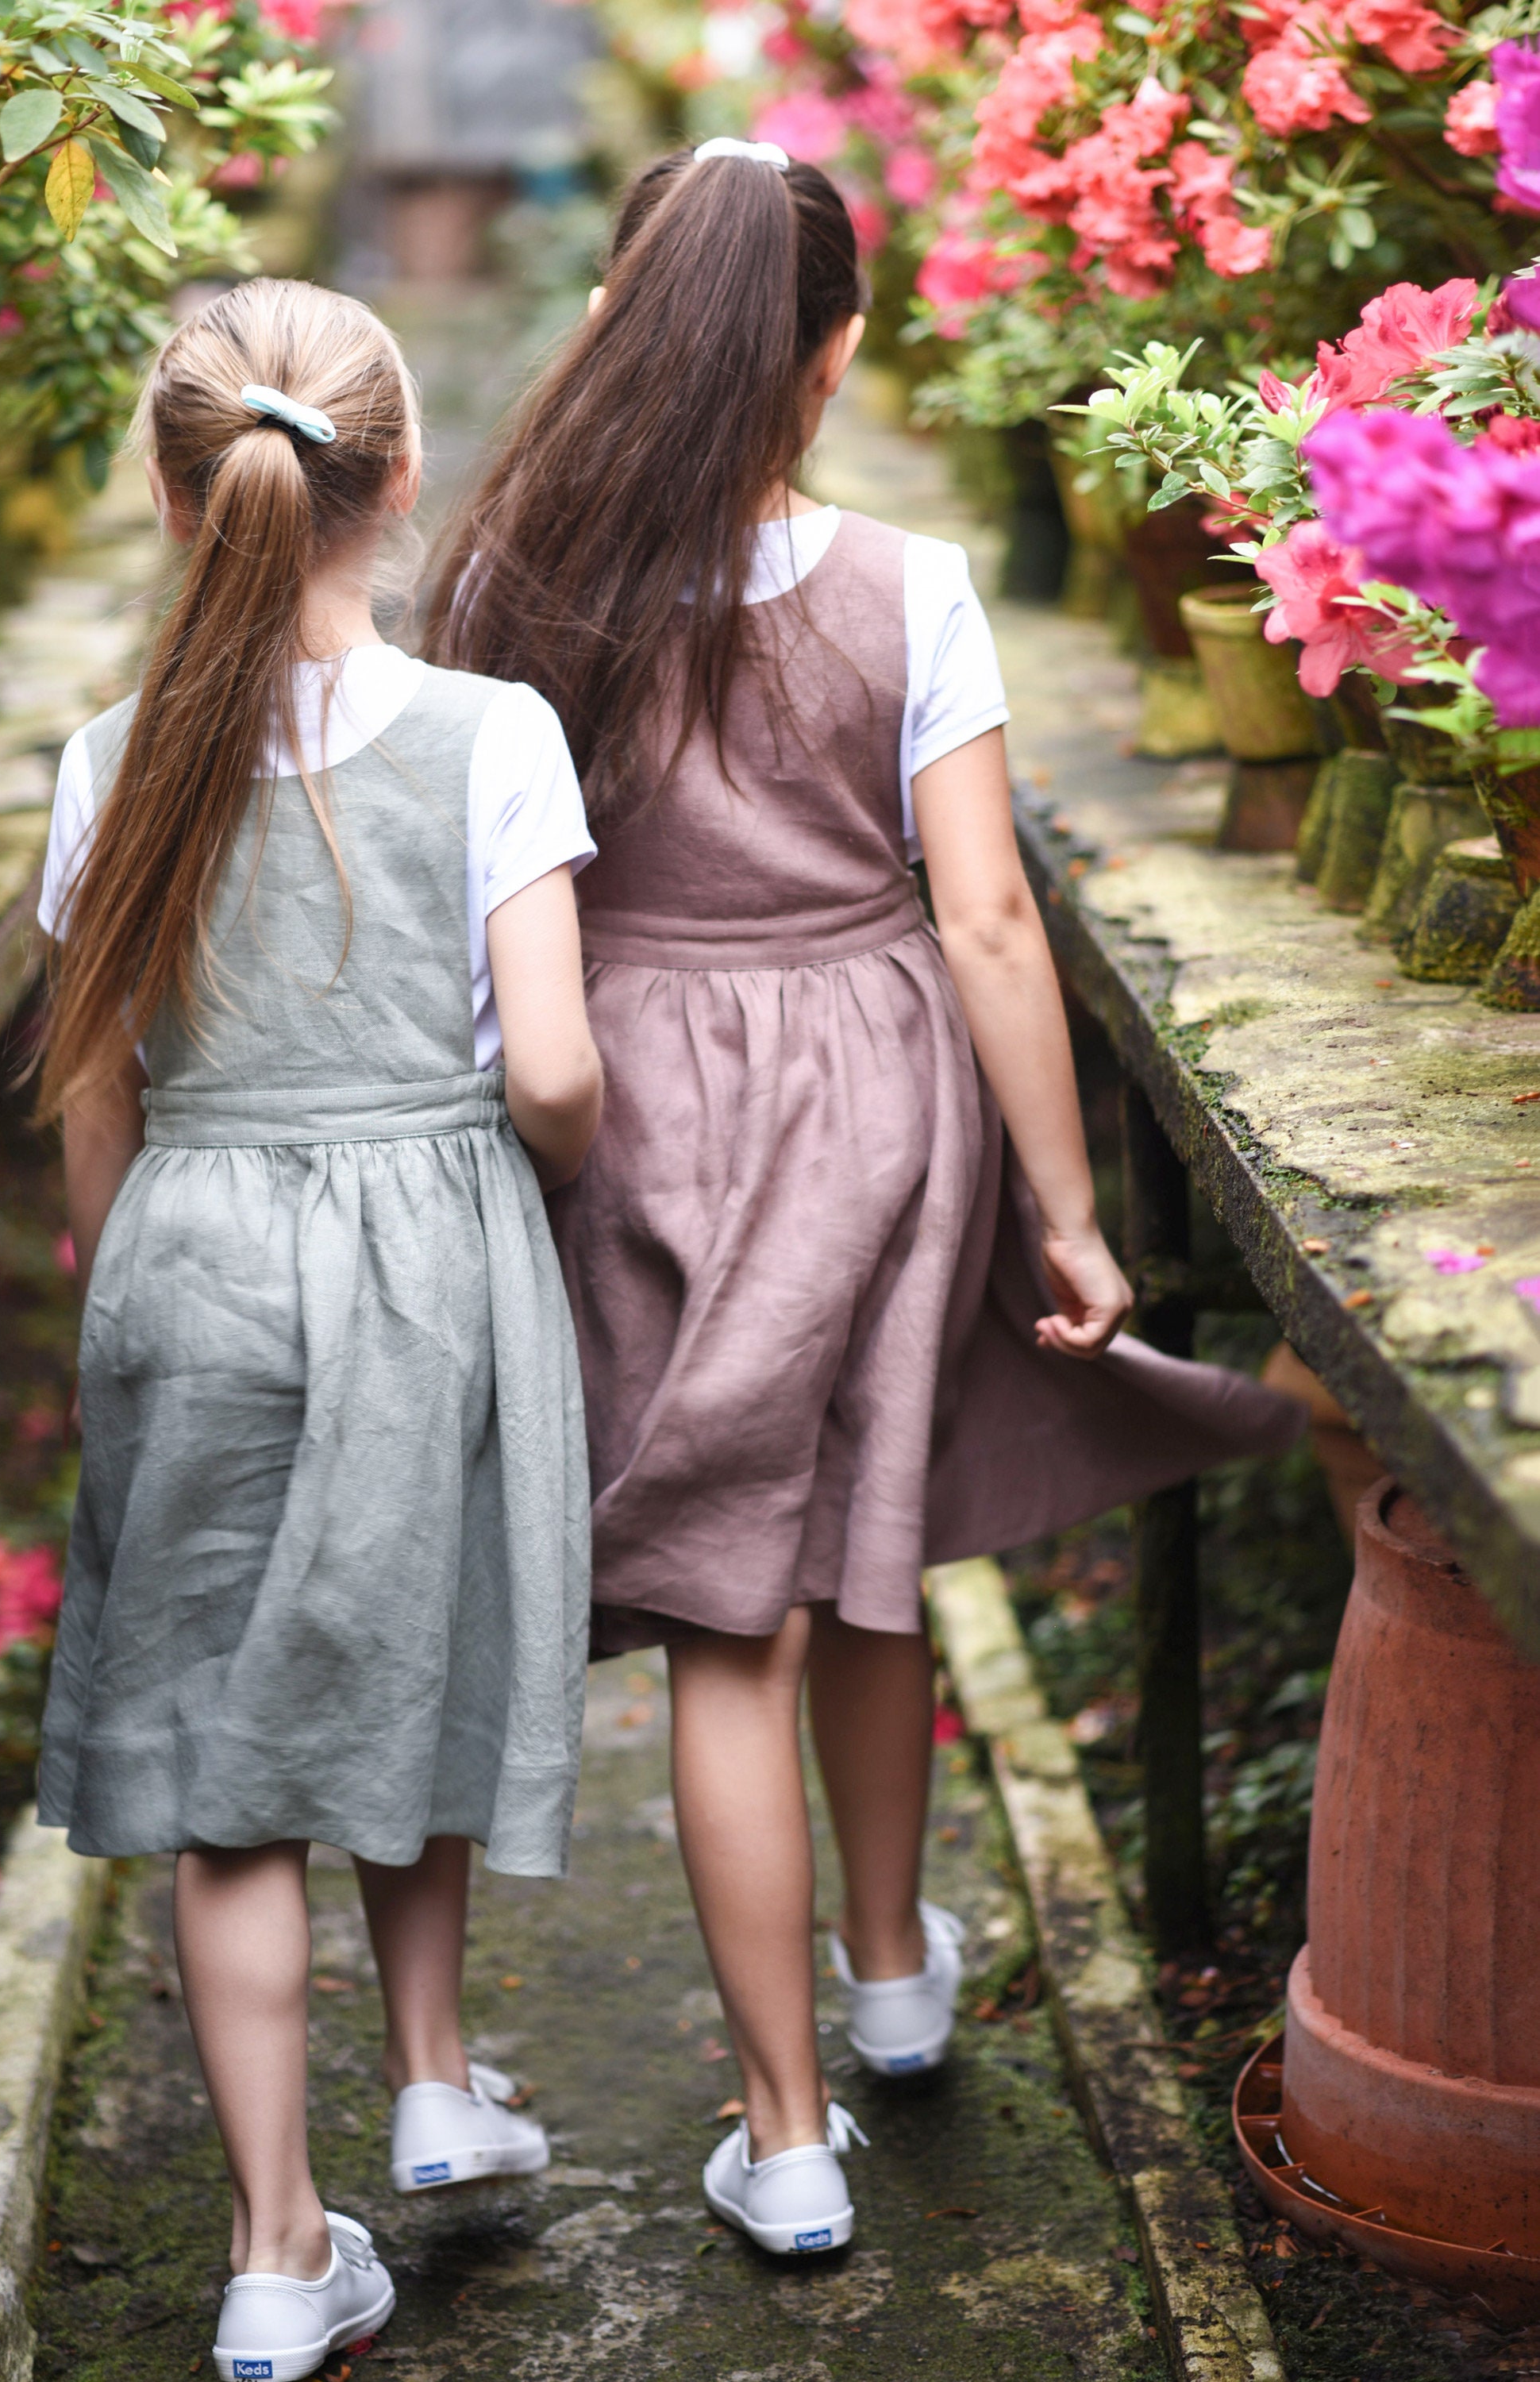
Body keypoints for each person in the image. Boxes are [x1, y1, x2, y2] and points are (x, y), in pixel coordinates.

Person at [429, 143, 1303, 2259]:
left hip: (632, 1108)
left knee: (728, 1618)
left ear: (607, 324)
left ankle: (786, 2126)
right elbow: (989, 918)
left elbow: (471, 905)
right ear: (830, 361)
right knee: (869, 1545)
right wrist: (1071, 1214)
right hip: (881, 1095)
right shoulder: (912, 585)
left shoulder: (503, 584)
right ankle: (894, 1970)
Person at [35, 278, 603, 2382]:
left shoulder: (108, 764)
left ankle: (279, 2257)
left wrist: (135, 1286)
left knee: (222, 1771)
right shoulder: (494, 739)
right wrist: (552, 1135)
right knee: (411, 1644)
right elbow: (549, 1072)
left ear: (177, 506)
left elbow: (100, 1099)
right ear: (407, 478)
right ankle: (436, 2071)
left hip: (187, 1251)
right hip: (429, 1243)